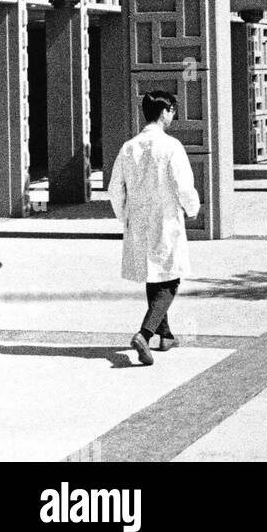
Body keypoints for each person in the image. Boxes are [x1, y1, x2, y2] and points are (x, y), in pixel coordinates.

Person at [108, 90, 200, 367]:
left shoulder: (128, 147)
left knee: (154, 276)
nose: (173, 115)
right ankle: (144, 334)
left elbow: (115, 189)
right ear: (163, 112)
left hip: (139, 222)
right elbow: (183, 185)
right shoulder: (171, 146)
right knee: (170, 280)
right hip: (165, 220)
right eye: (172, 110)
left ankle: (166, 335)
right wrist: (192, 208)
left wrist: (124, 214)